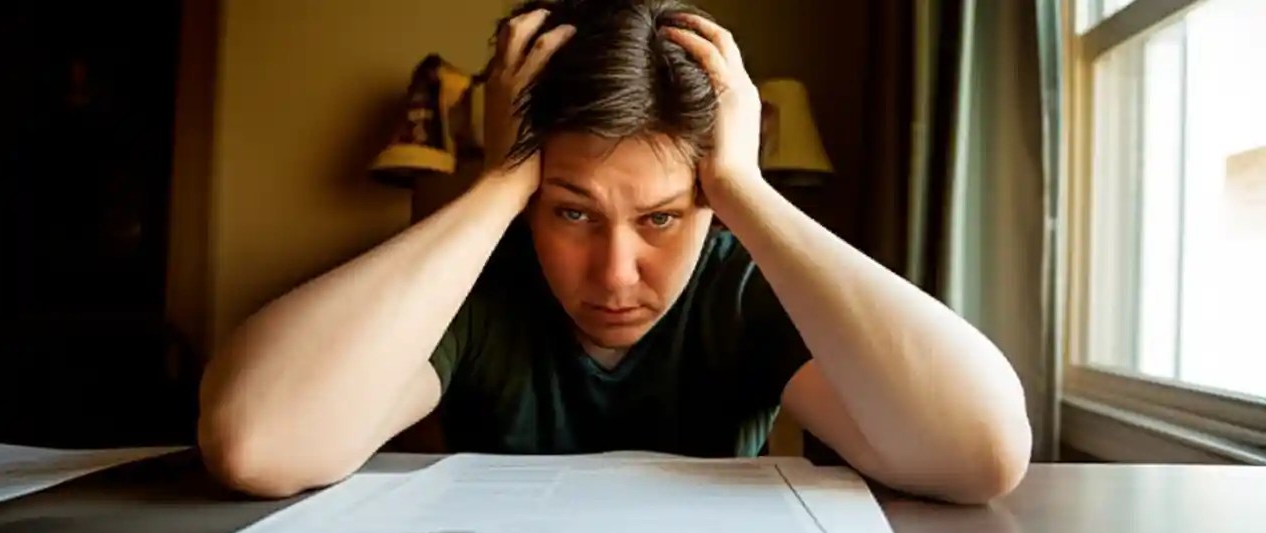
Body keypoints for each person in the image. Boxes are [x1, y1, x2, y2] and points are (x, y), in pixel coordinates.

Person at [197, 0, 1032, 504]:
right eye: (572, 212)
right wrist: (500, 181)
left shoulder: (741, 291)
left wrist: (744, 186)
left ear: (709, 206)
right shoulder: (479, 289)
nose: (615, 274)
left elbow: (980, 453)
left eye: (662, 218)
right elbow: (257, 443)